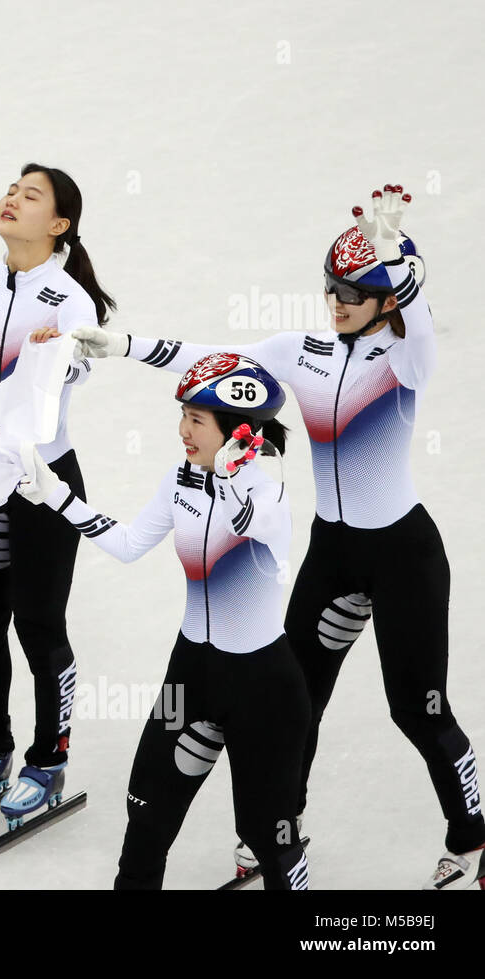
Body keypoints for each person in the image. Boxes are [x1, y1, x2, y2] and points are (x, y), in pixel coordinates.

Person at [74, 185, 485, 888]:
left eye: (355, 290)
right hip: (332, 551)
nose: (337, 300)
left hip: (403, 553)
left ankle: (473, 835)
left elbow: (423, 351)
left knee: (417, 707)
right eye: (331, 286)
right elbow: (214, 361)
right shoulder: (303, 351)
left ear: (389, 299)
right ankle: (277, 834)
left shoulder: (399, 362)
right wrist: (124, 345)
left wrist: (397, 265)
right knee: (297, 704)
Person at [19, 352, 310, 889]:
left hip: (261, 686)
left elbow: (246, 517)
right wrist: (56, 495)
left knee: (269, 837)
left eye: (196, 420)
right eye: (183, 415)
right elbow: (129, 545)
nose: (182, 430)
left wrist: (232, 474)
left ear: (238, 432)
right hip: (190, 673)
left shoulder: (268, 495)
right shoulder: (179, 480)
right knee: (146, 812)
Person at [0, 165, 114, 828]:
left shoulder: (70, 300)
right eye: (11, 188)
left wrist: (55, 357)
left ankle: (49, 759)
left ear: (60, 225)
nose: (13, 198)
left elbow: (69, 378)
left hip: (44, 481)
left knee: (39, 623)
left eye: (31, 194)